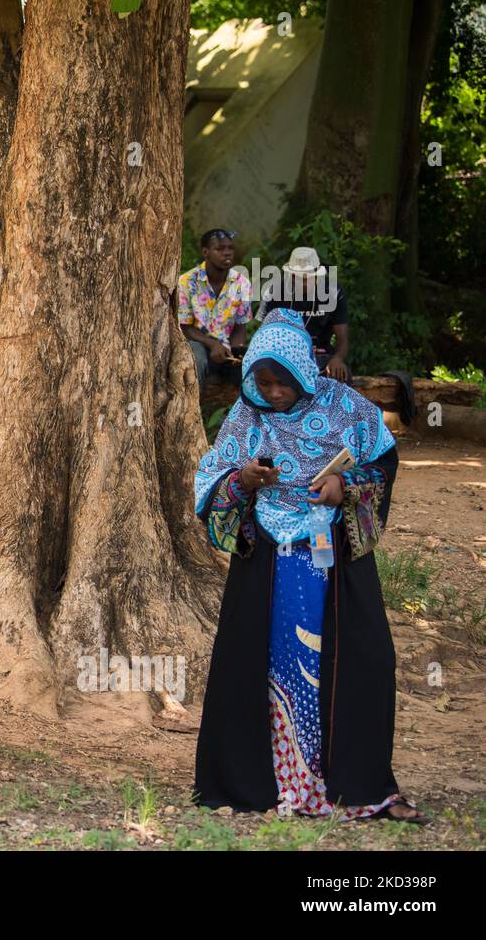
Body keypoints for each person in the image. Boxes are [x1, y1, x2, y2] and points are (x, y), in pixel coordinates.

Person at [192, 309, 427, 823]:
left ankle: (350, 784)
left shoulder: (348, 408)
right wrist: (244, 480)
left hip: (334, 560)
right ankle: (267, 782)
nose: (273, 392)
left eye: (283, 382)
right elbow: (211, 478)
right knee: (269, 663)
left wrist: (346, 486)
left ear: (304, 371)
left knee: (356, 659)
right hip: (267, 564)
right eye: (264, 381)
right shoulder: (245, 416)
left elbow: (382, 463)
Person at [256, 246, 351, 381]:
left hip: (321, 357)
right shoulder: (274, 292)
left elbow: (342, 338)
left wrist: (338, 358)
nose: (304, 282)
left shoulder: (333, 292)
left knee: (340, 375)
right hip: (285, 356)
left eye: (309, 277)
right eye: (298, 277)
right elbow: (262, 337)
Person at [177, 228, 253, 385]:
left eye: (230, 248)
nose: (227, 253)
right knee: (195, 359)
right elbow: (185, 327)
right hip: (196, 343)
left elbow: (240, 328)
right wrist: (212, 344)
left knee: (251, 363)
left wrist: (235, 352)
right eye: (219, 249)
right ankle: (194, 406)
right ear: (206, 252)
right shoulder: (187, 281)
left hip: (225, 347)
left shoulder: (242, 283)